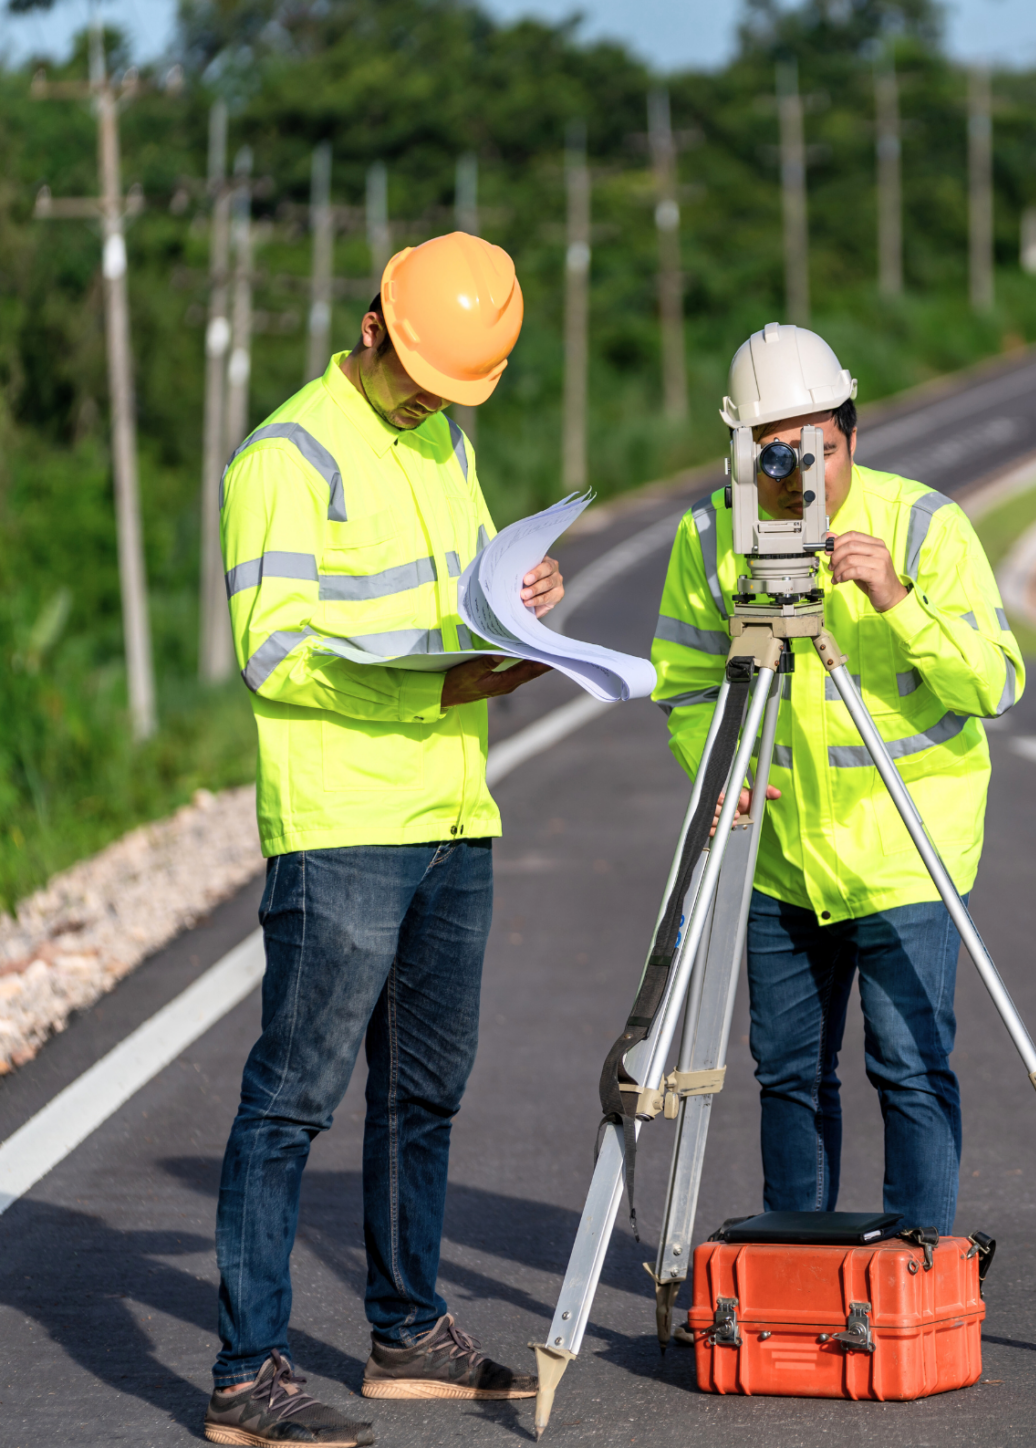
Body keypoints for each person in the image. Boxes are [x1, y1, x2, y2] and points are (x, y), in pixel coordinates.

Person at [207, 232, 558, 1448]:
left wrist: (516, 612)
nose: (434, 401)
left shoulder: (445, 441)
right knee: (291, 1099)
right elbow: (274, 648)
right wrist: (436, 686)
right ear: (373, 327)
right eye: (424, 378)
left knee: (426, 1092)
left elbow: (450, 598)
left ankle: (406, 1329)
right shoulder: (285, 456)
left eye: (455, 389)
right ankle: (247, 1374)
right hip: (345, 821)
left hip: (454, 809)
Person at [650, 323, 1024, 1238]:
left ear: (856, 433)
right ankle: (798, 1266)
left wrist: (897, 602)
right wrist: (717, 772)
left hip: (906, 853)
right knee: (786, 1073)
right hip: (778, 860)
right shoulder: (711, 538)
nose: (804, 468)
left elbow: (995, 684)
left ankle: (920, 1269)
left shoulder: (925, 525)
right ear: (742, 450)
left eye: (823, 445)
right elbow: (686, 685)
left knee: (908, 1065)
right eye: (779, 450)